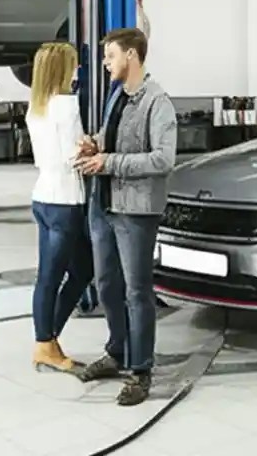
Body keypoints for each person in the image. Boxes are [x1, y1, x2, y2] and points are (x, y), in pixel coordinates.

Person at [73, 27, 177, 406]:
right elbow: (109, 136)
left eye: (110, 56)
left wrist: (108, 161)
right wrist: (94, 143)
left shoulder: (158, 101)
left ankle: (140, 370)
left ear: (131, 55)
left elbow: (164, 159)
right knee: (106, 286)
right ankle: (117, 351)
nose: (106, 63)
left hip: (135, 210)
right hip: (103, 204)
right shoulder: (118, 95)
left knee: (137, 291)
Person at [24, 42, 92, 372]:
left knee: (75, 272)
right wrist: (93, 146)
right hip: (64, 202)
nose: (78, 70)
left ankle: (48, 340)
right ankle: (44, 344)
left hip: (43, 197)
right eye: (74, 65)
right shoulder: (66, 104)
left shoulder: (36, 105)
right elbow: (73, 156)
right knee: (56, 276)